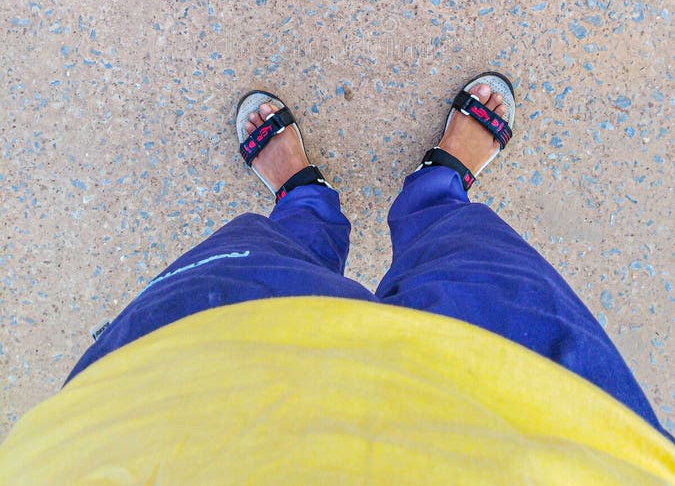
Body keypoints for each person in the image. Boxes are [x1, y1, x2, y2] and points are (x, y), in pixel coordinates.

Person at [1, 72, 673, 482]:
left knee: (266, 265)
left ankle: (303, 198)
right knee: (473, 261)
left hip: (172, 415)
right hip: (549, 428)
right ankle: (438, 188)